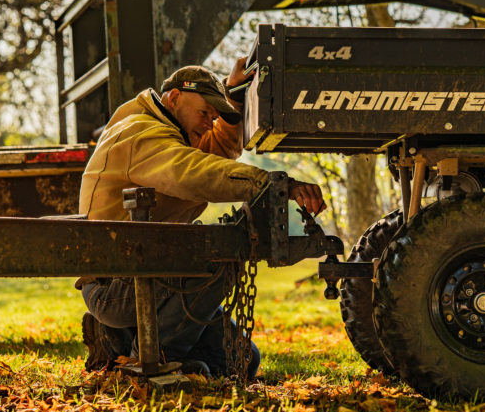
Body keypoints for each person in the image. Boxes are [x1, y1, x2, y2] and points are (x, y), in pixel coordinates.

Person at [76, 57, 325, 377]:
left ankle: (119, 342)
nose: (211, 121)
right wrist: (272, 184)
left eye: (214, 115)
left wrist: (232, 95)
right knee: (214, 253)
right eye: (204, 113)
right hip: (116, 286)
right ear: (175, 98)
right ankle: (152, 363)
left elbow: (217, 149)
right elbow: (191, 172)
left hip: (146, 271)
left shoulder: (172, 131)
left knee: (243, 361)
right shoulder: (142, 133)